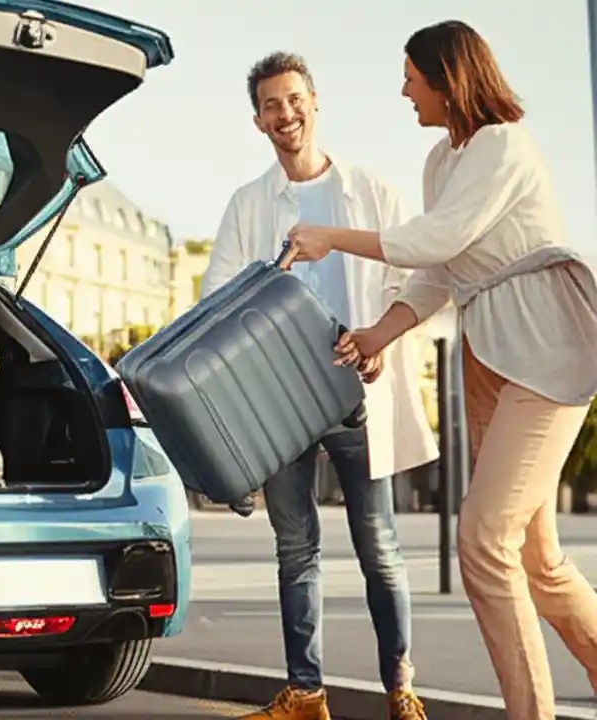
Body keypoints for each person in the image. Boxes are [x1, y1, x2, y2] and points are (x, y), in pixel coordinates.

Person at [284, 20, 597, 720]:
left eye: (411, 77)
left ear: (447, 79)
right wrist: (378, 334)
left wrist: (332, 237)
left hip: (547, 352)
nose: (403, 91)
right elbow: (437, 268)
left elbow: (436, 237)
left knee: (484, 543)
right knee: (539, 562)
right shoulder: (441, 162)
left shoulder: (502, 145)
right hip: (490, 356)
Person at [200, 51, 439, 720]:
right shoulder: (249, 204)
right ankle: (306, 695)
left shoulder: (369, 191)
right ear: (258, 121)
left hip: (356, 394)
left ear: (314, 102)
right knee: (296, 549)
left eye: (294, 99)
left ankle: (401, 690)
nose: (286, 113)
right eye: (272, 105)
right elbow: (215, 294)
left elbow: (413, 275)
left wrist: (379, 344)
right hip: (280, 404)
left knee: (380, 549)